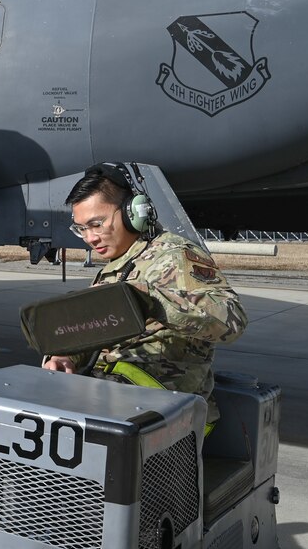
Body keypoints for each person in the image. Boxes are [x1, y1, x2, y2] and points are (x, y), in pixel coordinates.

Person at [42, 164, 247, 425]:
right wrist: (66, 357)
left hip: (165, 412)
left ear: (133, 213)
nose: (90, 238)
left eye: (97, 224)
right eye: (81, 229)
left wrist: (153, 301)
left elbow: (233, 320)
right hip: (115, 397)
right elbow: (98, 332)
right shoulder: (119, 264)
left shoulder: (174, 255)